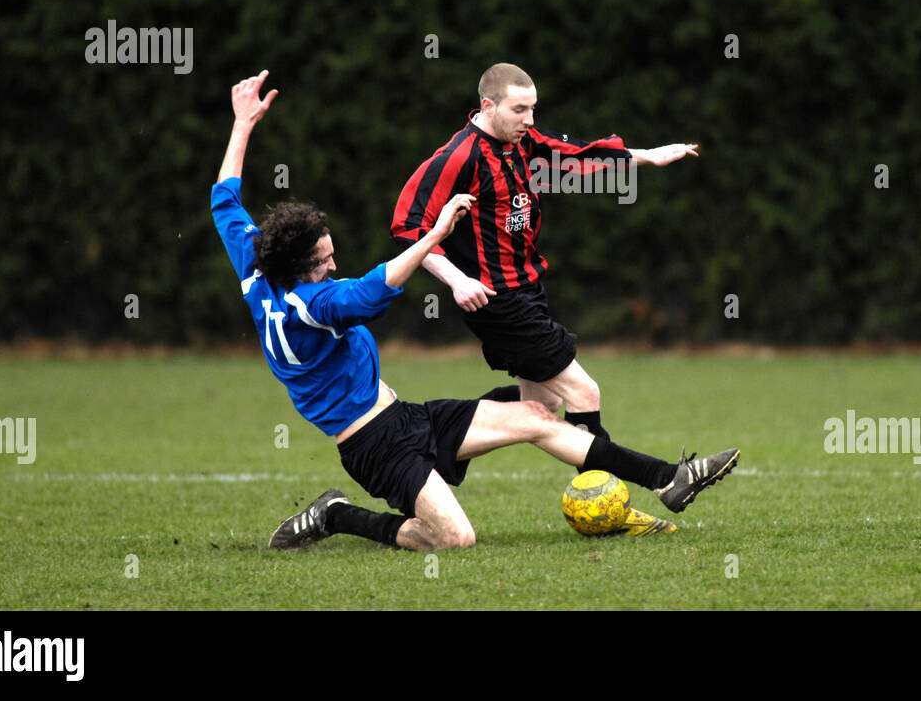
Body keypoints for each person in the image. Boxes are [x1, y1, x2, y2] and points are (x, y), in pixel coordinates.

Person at [212, 70, 738, 550]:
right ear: (301, 266)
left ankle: (670, 478)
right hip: (374, 447)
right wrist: (438, 237)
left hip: (406, 416)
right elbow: (375, 287)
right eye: (325, 260)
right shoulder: (317, 305)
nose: (333, 263)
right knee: (454, 539)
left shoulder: (255, 264)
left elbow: (224, 199)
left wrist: (242, 124)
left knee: (538, 414)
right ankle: (338, 515)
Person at [392, 62, 698, 443]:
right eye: (519, 110)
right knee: (585, 393)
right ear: (488, 107)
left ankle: (425, 442)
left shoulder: (525, 142)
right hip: (496, 299)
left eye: (533, 108)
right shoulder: (458, 157)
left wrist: (647, 155)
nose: (529, 119)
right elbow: (409, 224)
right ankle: (602, 496)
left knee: (543, 405)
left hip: (527, 291)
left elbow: (579, 156)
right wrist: (456, 279)